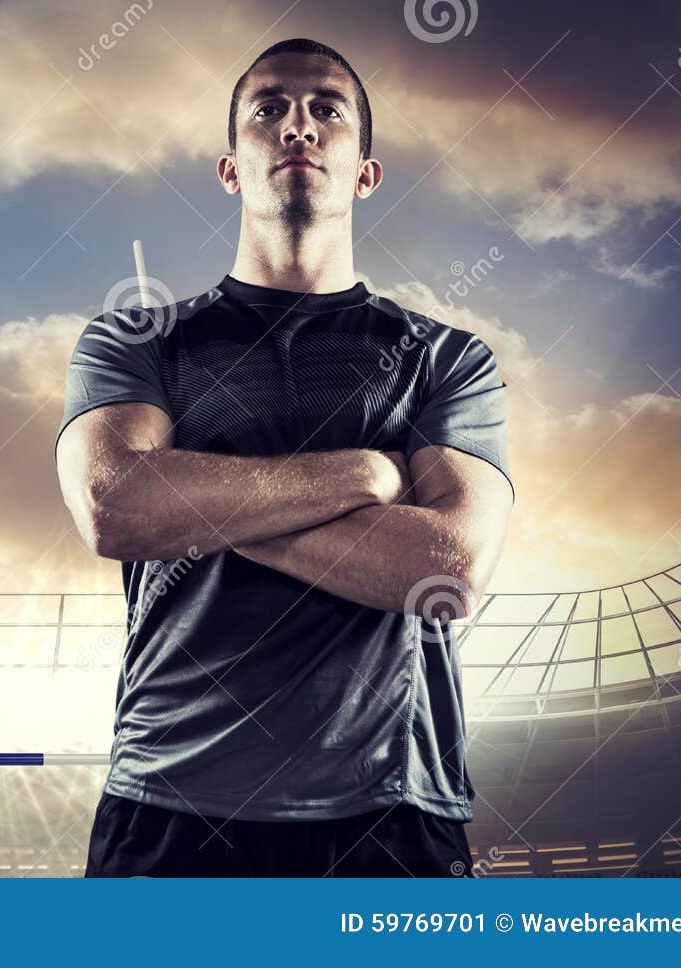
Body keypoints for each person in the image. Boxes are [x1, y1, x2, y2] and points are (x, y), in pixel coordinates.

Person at [55, 38, 514, 877]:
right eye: (269, 108)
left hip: (390, 808)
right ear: (231, 167)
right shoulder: (137, 339)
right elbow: (117, 508)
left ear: (365, 172)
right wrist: (364, 477)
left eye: (326, 110)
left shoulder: (445, 358)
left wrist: (196, 500)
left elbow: (445, 570)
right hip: (169, 794)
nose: (297, 125)